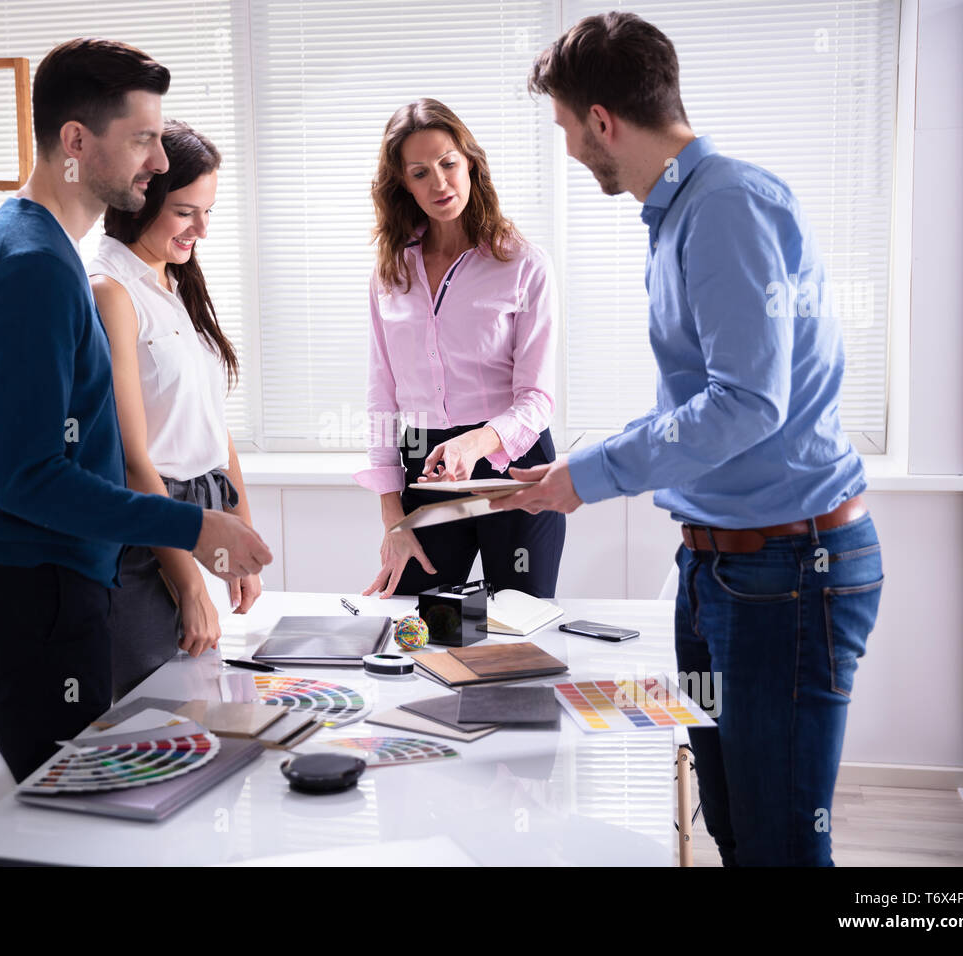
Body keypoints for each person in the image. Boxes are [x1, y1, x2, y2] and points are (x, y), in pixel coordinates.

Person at [508, 12, 883, 865]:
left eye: (566, 126)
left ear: (602, 120)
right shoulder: (684, 212)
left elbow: (747, 403)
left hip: (786, 576)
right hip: (721, 570)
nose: (568, 148)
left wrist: (592, 475)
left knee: (778, 844)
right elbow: (701, 398)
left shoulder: (725, 206)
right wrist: (579, 467)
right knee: (733, 825)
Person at [0, 38, 271, 782]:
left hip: (31, 581)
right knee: (59, 820)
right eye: (144, 140)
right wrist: (191, 526)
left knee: (59, 806)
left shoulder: (14, 249)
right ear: (76, 142)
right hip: (39, 589)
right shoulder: (36, 268)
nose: (157, 163)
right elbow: (32, 477)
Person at [357, 98, 563, 600]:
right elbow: (383, 398)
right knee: (416, 628)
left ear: (470, 162)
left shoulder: (524, 265)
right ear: (403, 183)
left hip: (512, 470)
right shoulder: (391, 273)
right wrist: (392, 513)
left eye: (449, 163)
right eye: (420, 172)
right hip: (424, 463)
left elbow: (536, 398)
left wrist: (475, 443)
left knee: (514, 633)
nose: (440, 183)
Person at [89, 120, 262, 700]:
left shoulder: (173, 279)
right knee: (151, 714)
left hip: (202, 512)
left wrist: (244, 534)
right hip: (150, 527)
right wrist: (186, 580)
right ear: (143, 197)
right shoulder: (110, 291)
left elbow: (214, 423)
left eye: (208, 212)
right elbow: (131, 457)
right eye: (186, 211)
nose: (201, 230)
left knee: (200, 704)